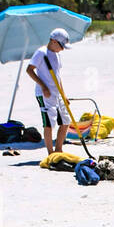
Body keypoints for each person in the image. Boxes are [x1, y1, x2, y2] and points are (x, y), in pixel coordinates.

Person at [26, 28, 71, 157]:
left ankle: (58, 150)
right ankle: (50, 154)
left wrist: (64, 94)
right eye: (61, 46)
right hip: (44, 93)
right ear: (53, 41)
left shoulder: (57, 55)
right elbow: (29, 70)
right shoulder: (41, 53)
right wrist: (43, 86)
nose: (62, 49)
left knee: (65, 121)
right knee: (49, 124)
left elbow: (58, 76)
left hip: (57, 93)